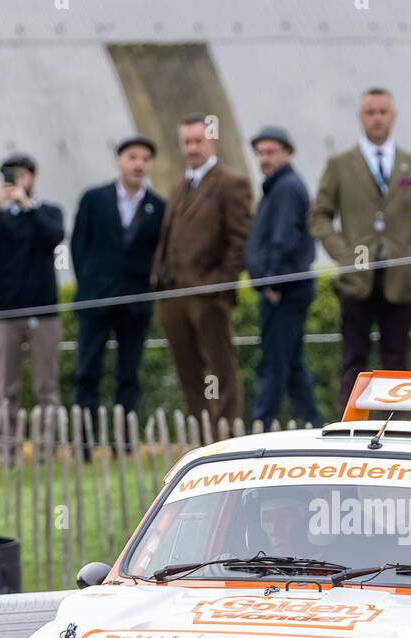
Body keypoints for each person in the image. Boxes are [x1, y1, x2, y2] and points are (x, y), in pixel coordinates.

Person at [309, 88, 411, 410]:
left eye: (383, 112)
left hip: (399, 279)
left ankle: (396, 426)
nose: (377, 118)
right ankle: (351, 425)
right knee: (354, 357)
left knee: (397, 357)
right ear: (361, 118)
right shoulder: (340, 164)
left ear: (392, 116)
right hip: (357, 280)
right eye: (371, 112)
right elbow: (320, 214)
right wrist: (343, 253)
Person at [153, 113, 252, 426]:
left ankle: (226, 433)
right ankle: (201, 434)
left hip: (209, 294)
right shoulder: (179, 185)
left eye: (198, 141)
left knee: (220, 368)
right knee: (187, 370)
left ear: (212, 141)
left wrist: (219, 284)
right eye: (187, 142)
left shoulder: (231, 182)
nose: (192, 148)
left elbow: (241, 241)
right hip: (173, 294)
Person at [69, 137, 164, 423]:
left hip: (135, 303)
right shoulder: (94, 199)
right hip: (95, 300)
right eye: (132, 157)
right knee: (87, 371)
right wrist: (89, 284)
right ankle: (85, 441)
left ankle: (123, 442)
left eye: (145, 159)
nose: (139, 164)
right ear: (118, 161)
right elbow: (78, 247)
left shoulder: (157, 207)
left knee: (129, 374)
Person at [0, 153, 64, 418]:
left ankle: (47, 450)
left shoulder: (47, 212)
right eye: (12, 176)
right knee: (6, 389)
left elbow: (54, 236)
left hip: (43, 312)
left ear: (33, 177)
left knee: (46, 387)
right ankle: (7, 451)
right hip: (6, 312)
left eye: (22, 175)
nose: (17, 182)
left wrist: (28, 206)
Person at [245, 126, 321, 429]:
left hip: (285, 289)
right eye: (260, 153)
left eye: (271, 152)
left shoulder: (287, 187)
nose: (265, 158)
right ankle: (312, 422)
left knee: (275, 362)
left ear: (287, 153)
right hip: (284, 286)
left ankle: (261, 425)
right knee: (291, 362)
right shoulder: (276, 186)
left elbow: (284, 238)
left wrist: (273, 281)